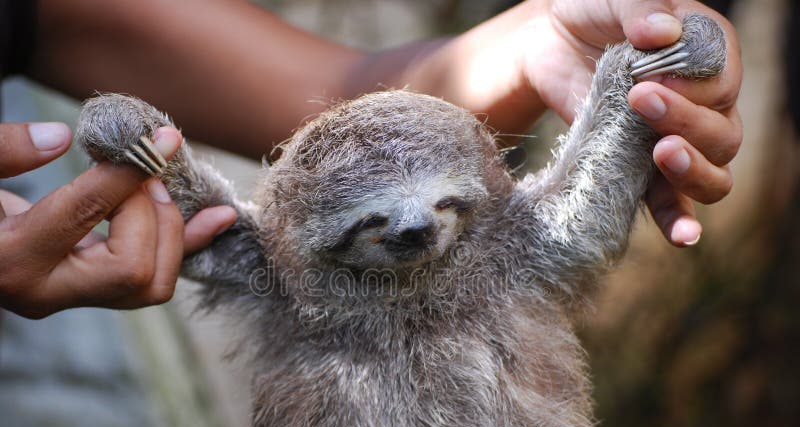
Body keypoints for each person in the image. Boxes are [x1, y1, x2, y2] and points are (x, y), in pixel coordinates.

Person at [0, 0, 742, 319]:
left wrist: (540, 41)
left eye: (444, 207)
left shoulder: (499, 244)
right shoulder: (291, 269)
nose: (420, 229)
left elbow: (337, 104)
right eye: (384, 221)